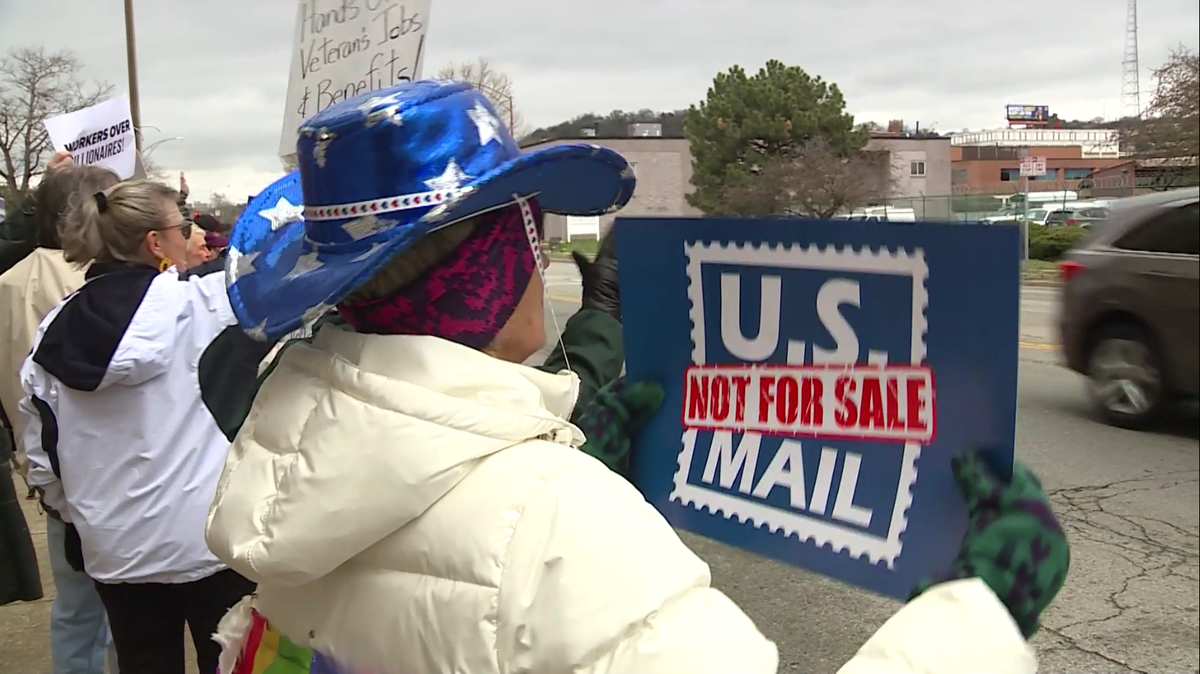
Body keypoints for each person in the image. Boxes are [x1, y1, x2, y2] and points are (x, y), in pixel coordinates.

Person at [205, 80, 1069, 674]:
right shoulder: (558, 523)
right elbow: (505, 562)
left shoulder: (284, 470)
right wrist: (981, 617)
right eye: (529, 234)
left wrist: (575, 459)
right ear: (497, 270)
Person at [18, 179, 258, 674]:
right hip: (207, 539)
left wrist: (81, 516)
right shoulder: (204, 303)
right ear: (155, 242)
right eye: (182, 225)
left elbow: (42, 450)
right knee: (233, 662)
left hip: (114, 547)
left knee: (142, 663)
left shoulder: (54, 325)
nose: (188, 233)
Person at [0, 158, 120, 674]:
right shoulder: (97, 284)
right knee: (118, 609)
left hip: (43, 462)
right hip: (106, 460)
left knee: (74, 606)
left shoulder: (8, 281)